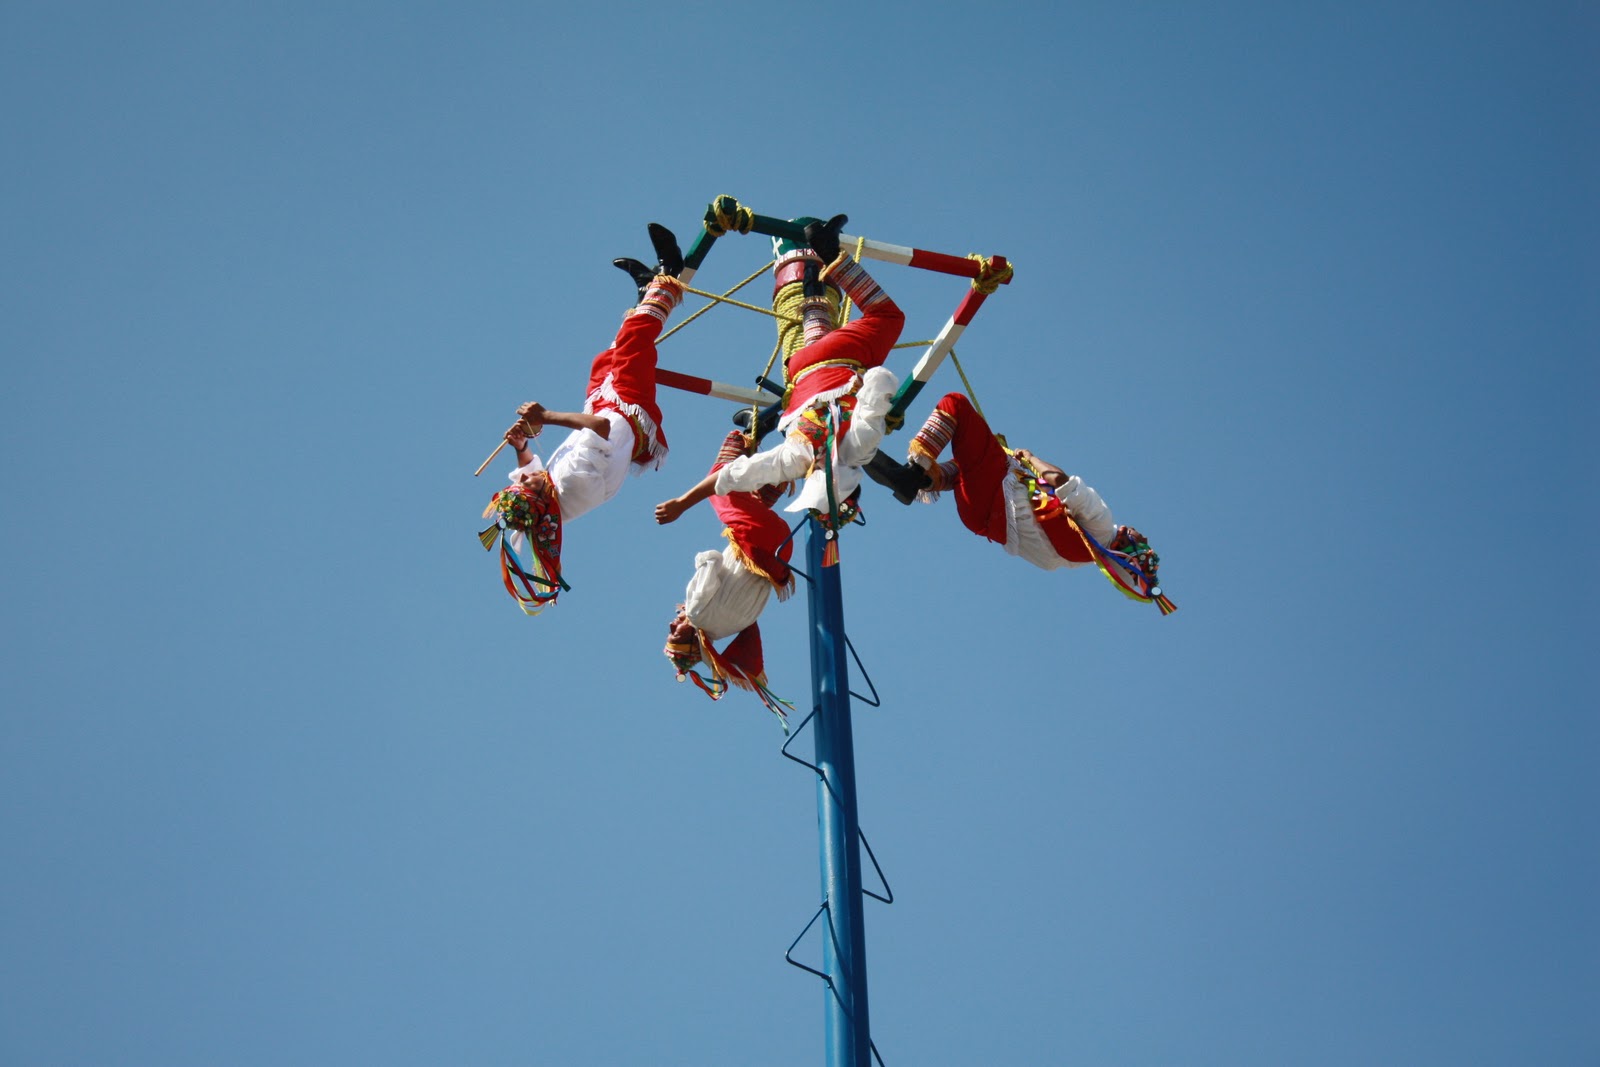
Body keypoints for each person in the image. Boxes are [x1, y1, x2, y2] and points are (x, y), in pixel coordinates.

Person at [481, 223, 685, 613]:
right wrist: (546, 416)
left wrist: (522, 446)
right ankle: (670, 274)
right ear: (542, 498)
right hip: (627, 417)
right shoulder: (570, 482)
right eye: (531, 485)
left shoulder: (547, 502)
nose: (529, 478)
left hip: (607, 410)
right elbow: (602, 429)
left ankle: (646, 291)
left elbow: (530, 471)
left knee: (601, 362)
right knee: (632, 345)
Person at [652, 215, 903, 526]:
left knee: (889, 317)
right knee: (818, 329)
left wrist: (884, 407)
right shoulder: (793, 460)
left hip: (834, 359)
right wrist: (681, 503)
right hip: (800, 370)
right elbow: (727, 477)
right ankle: (816, 282)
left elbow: (880, 381)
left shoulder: (858, 449)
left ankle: (830, 254)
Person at [864, 392, 1175, 612]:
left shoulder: (1102, 524)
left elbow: (1058, 480)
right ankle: (923, 481)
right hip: (977, 518)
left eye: (1141, 543)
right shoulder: (1070, 560)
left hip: (997, 493)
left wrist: (1027, 458)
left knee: (955, 404)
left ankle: (914, 471)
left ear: (1126, 551)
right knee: (966, 463)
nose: (1142, 535)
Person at [661, 428, 798, 727]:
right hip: (756, 539)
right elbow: (711, 559)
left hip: (780, 547)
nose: (672, 623)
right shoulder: (697, 613)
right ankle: (744, 436)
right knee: (717, 483)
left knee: (750, 505)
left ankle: (786, 467)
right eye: (674, 633)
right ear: (692, 641)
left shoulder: (734, 628)